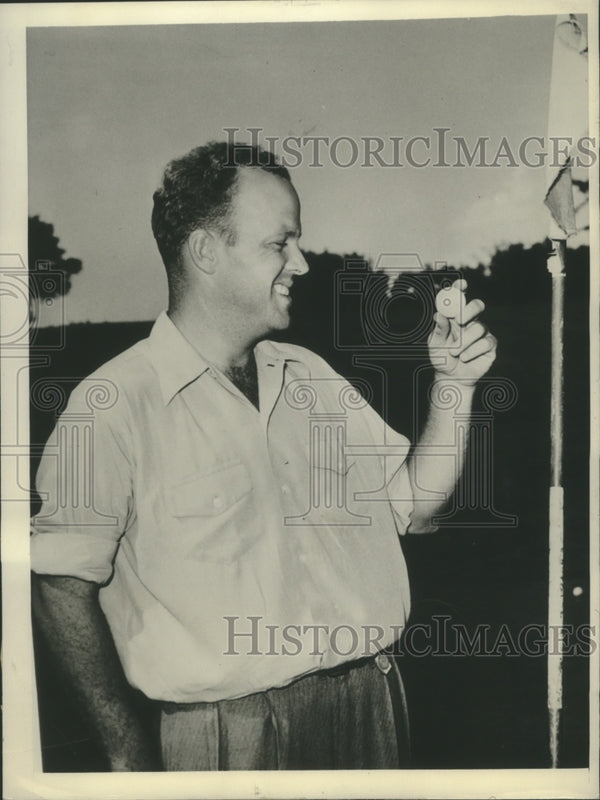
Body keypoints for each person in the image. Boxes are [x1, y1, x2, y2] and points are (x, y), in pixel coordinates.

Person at [31, 141, 497, 771]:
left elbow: (414, 507)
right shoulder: (111, 407)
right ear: (205, 252)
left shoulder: (311, 376)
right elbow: (61, 586)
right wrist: (123, 750)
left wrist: (454, 388)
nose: (301, 263)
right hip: (233, 737)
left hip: (373, 709)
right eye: (280, 244)